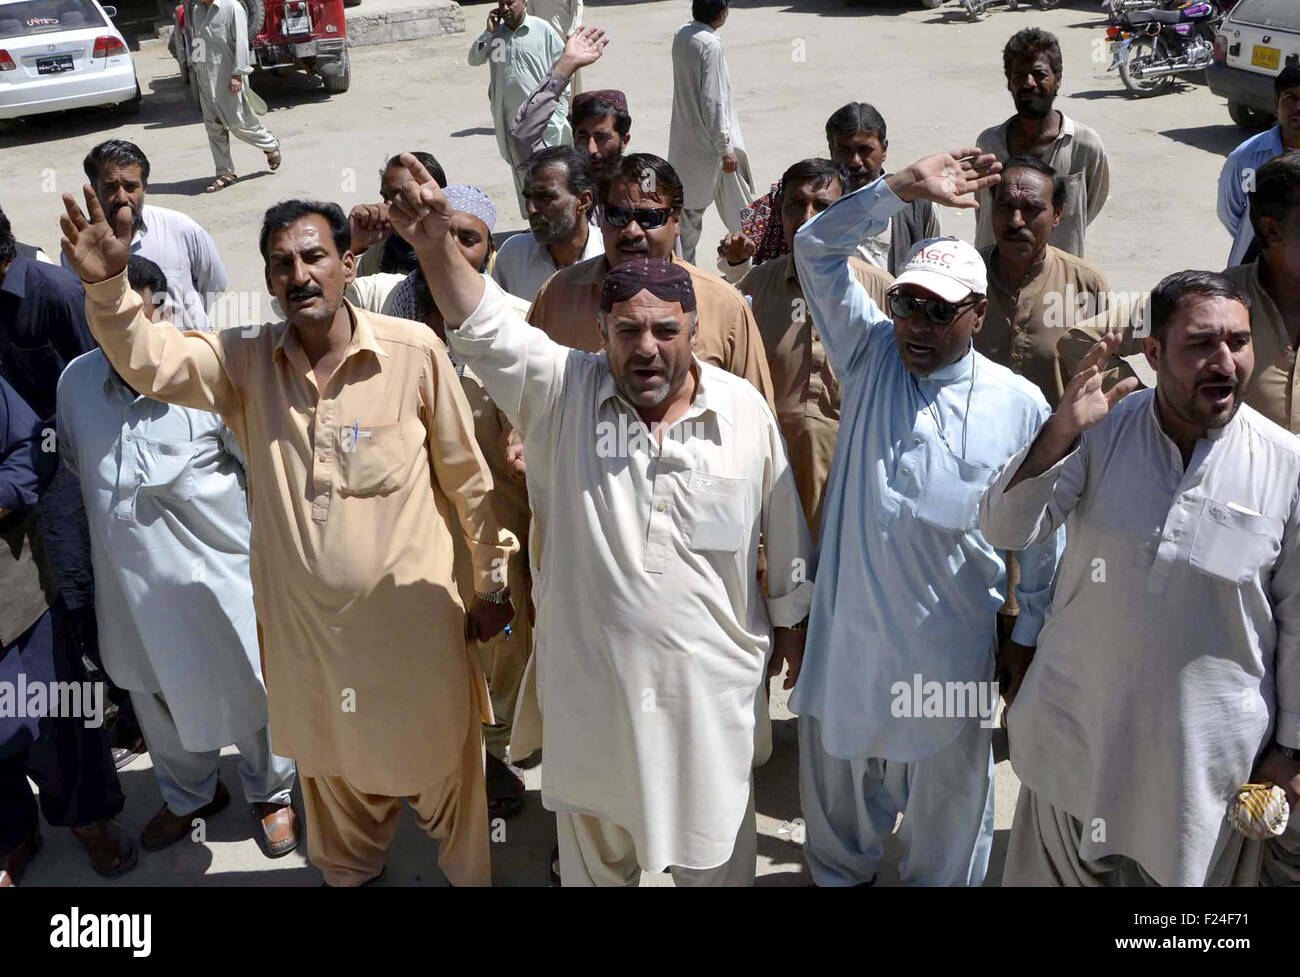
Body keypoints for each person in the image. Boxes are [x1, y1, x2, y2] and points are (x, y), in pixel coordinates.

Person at [60, 190, 519, 887]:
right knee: (336, 800)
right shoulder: (243, 361)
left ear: (347, 263)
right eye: (281, 264)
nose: (299, 274)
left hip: (416, 641)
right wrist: (107, 286)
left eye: (314, 257)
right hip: (312, 655)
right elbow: (150, 361)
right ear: (269, 281)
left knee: (447, 790)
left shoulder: (412, 351)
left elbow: (469, 481)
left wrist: (490, 584)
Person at [388, 153, 814, 886]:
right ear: (605, 332)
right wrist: (432, 246)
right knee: (596, 868)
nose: (646, 348)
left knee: (714, 861)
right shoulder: (563, 393)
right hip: (593, 703)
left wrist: (793, 628)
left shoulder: (742, 413)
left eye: (664, 331)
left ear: (691, 329)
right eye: (627, 331)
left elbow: (786, 535)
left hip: (709, 702)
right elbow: (486, 324)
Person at [789, 149, 1062, 887]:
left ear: (977, 314)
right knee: (839, 829)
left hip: (949, 661)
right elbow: (814, 247)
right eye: (908, 302)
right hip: (849, 651)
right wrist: (901, 186)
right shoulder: (870, 354)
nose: (917, 323)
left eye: (939, 311)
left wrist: (1028, 633)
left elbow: (1041, 539)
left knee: (946, 837)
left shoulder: (1016, 404)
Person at [981, 272, 1300, 887]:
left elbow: (1297, 620)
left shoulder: (1285, 465)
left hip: (1205, 772)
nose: (1225, 362)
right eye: (1201, 343)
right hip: (1078, 742)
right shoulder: (1102, 430)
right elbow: (1005, 527)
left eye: (1238, 342)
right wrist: (1060, 430)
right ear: (1152, 353)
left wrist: (1289, 749)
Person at [56, 255, 300, 860]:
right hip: (130, 593)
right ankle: (190, 795)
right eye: (103, 318)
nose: (117, 334)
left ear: (159, 312)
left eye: (128, 317)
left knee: (252, 690)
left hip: (225, 581)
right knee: (155, 699)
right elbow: (73, 462)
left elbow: (263, 474)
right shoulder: (75, 383)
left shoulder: (212, 374)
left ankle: (272, 794)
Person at [0, 373, 136, 885]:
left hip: (13, 600)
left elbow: (35, 444)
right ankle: (12, 836)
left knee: (57, 720)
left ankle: (88, 819)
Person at [528, 153, 775, 410]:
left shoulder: (724, 307)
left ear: (676, 220)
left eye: (649, 219)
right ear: (600, 216)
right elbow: (527, 397)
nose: (632, 231)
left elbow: (757, 413)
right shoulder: (558, 295)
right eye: (617, 215)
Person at [734, 158, 893, 539]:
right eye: (795, 205)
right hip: (773, 475)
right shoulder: (753, 289)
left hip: (853, 477)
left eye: (822, 207)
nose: (807, 217)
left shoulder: (882, 291)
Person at [718, 103, 941, 282]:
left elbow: (931, 273)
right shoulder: (799, 201)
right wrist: (738, 262)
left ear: (884, 150)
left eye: (865, 150)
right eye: (845, 150)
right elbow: (756, 286)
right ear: (831, 149)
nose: (855, 162)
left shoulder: (918, 205)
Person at [977, 156, 1115, 409]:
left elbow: (1105, 374)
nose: (1016, 221)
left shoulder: (1085, 285)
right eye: (1005, 206)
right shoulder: (965, 276)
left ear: (1057, 214)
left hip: (1060, 444)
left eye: (1031, 209)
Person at [974, 28, 1108, 259]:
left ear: (1058, 80)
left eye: (1039, 74)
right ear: (1009, 84)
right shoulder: (989, 145)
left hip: (1058, 283)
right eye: (1019, 76)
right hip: (993, 280)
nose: (1029, 83)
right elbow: (984, 213)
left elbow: (1090, 206)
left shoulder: (1085, 146)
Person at [75, 140, 228, 331]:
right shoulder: (80, 250)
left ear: (144, 186)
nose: (122, 198)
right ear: (94, 189)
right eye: (110, 188)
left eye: (130, 187)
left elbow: (215, 284)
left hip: (189, 354)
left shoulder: (180, 229)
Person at [669, 0, 753, 263]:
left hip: (688, 147)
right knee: (742, 218)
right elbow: (713, 102)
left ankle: (688, 271)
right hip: (714, 150)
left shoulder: (683, 35)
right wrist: (725, 149)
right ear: (722, 13)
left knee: (689, 222)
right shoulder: (711, 46)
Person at [469, 0, 569, 217]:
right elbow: (474, 59)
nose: (505, 9)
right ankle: (535, 221)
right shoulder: (497, 36)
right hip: (508, 118)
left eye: (510, 3)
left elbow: (564, 66)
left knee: (549, 169)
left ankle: (557, 217)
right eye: (501, 3)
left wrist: (560, 107)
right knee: (522, 171)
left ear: (524, 2)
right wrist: (488, 33)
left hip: (542, 118)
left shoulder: (541, 30)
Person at [189, 0, 282, 193]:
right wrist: (197, 68)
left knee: (238, 123)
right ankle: (225, 173)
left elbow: (241, 42)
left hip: (229, 77)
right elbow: (198, 40)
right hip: (205, 79)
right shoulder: (197, 10)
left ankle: (270, 144)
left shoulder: (232, 8)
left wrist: (238, 74)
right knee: (213, 127)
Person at [492, 147, 603, 302]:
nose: (531, 209)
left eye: (545, 198)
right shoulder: (513, 256)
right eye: (528, 197)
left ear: (583, 201)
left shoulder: (609, 257)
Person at [510, 28, 622, 181]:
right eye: (582, 137)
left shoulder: (641, 188)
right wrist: (567, 64)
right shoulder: (564, 182)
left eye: (601, 137)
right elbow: (524, 136)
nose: (591, 149)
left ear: (625, 141)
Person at [1219, 65, 1300, 269]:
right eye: (1291, 98)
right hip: (1255, 271)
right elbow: (1231, 213)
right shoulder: (1246, 157)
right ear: (1276, 104)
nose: (1298, 107)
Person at [349, 152, 448, 279]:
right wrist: (356, 245)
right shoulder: (384, 249)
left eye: (401, 197)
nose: (387, 205)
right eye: (385, 196)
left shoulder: (458, 244)